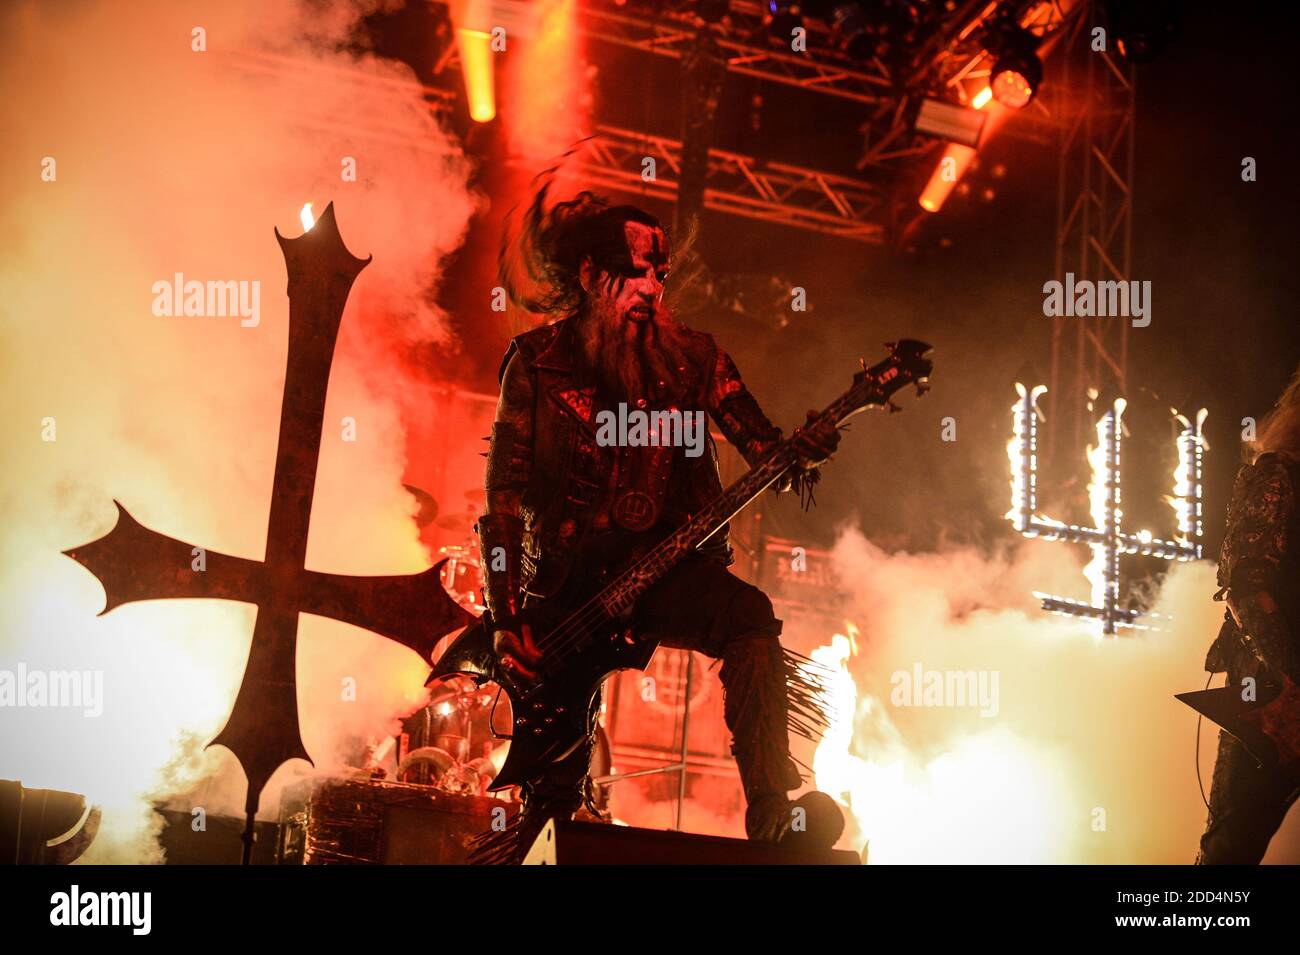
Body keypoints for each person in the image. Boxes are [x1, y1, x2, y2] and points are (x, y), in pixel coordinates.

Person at [467, 182, 845, 863]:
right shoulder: (537, 363)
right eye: (633, 270)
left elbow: (762, 444)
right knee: (550, 799)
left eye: (660, 274)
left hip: (667, 568)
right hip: (568, 590)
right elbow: (502, 497)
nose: (650, 287)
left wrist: (805, 448)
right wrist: (505, 616)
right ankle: (541, 831)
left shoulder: (695, 358)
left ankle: (771, 812)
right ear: (589, 274)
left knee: (750, 615)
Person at [1197, 365, 1300, 864]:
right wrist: (1292, 679)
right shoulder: (1278, 474)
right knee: (1230, 850)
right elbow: (1245, 583)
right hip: (1272, 689)